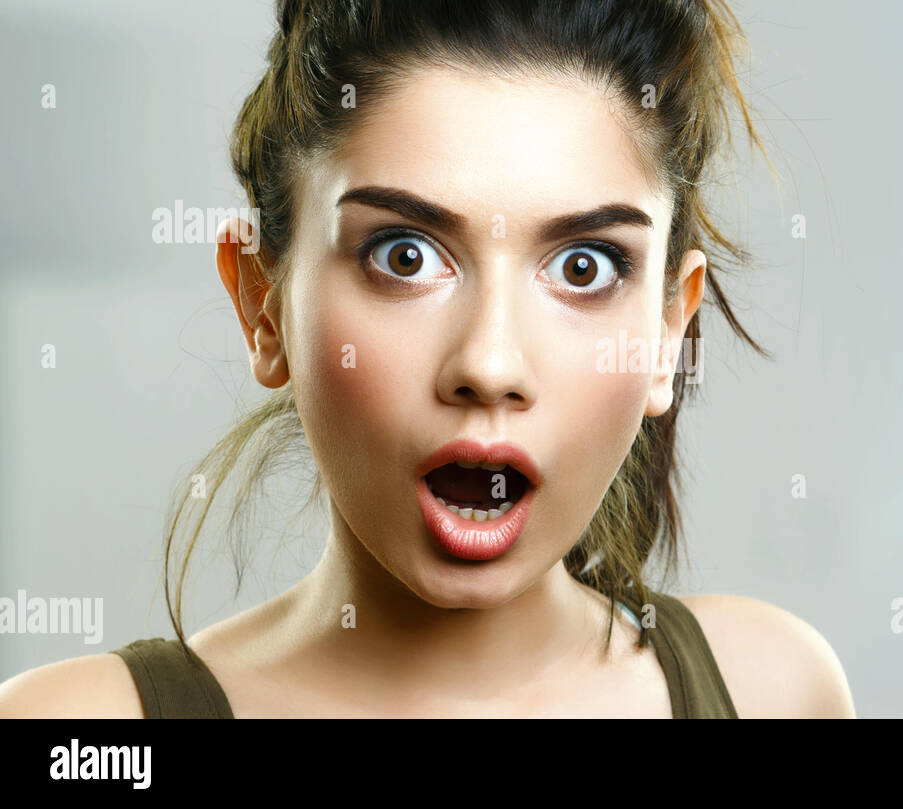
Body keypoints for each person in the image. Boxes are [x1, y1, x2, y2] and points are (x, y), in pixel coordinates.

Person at [0, 0, 854, 718]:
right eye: (404, 255)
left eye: (583, 266)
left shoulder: (774, 688)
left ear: (670, 329)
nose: (488, 363)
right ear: (263, 302)